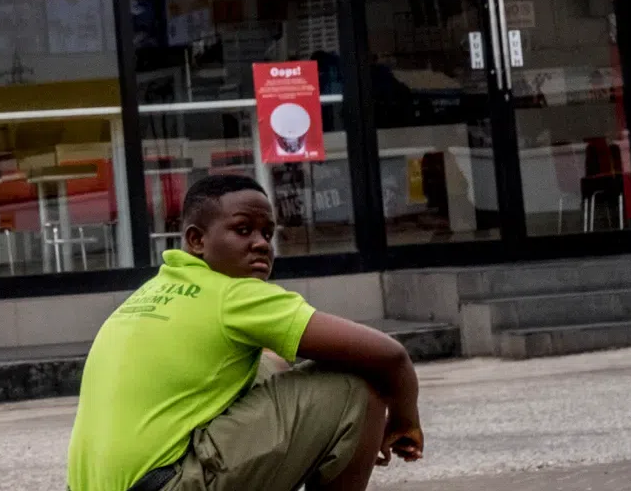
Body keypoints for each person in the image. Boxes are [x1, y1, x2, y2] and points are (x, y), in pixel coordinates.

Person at [66, 174, 424, 491]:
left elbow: (270, 366)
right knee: (358, 386)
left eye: (267, 233)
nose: (261, 243)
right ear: (196, 240)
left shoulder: (149, 293)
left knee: (267, 363)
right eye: (243, 230)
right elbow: (390, 356)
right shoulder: (234, 294)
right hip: (165, 484)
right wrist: (404, 420)